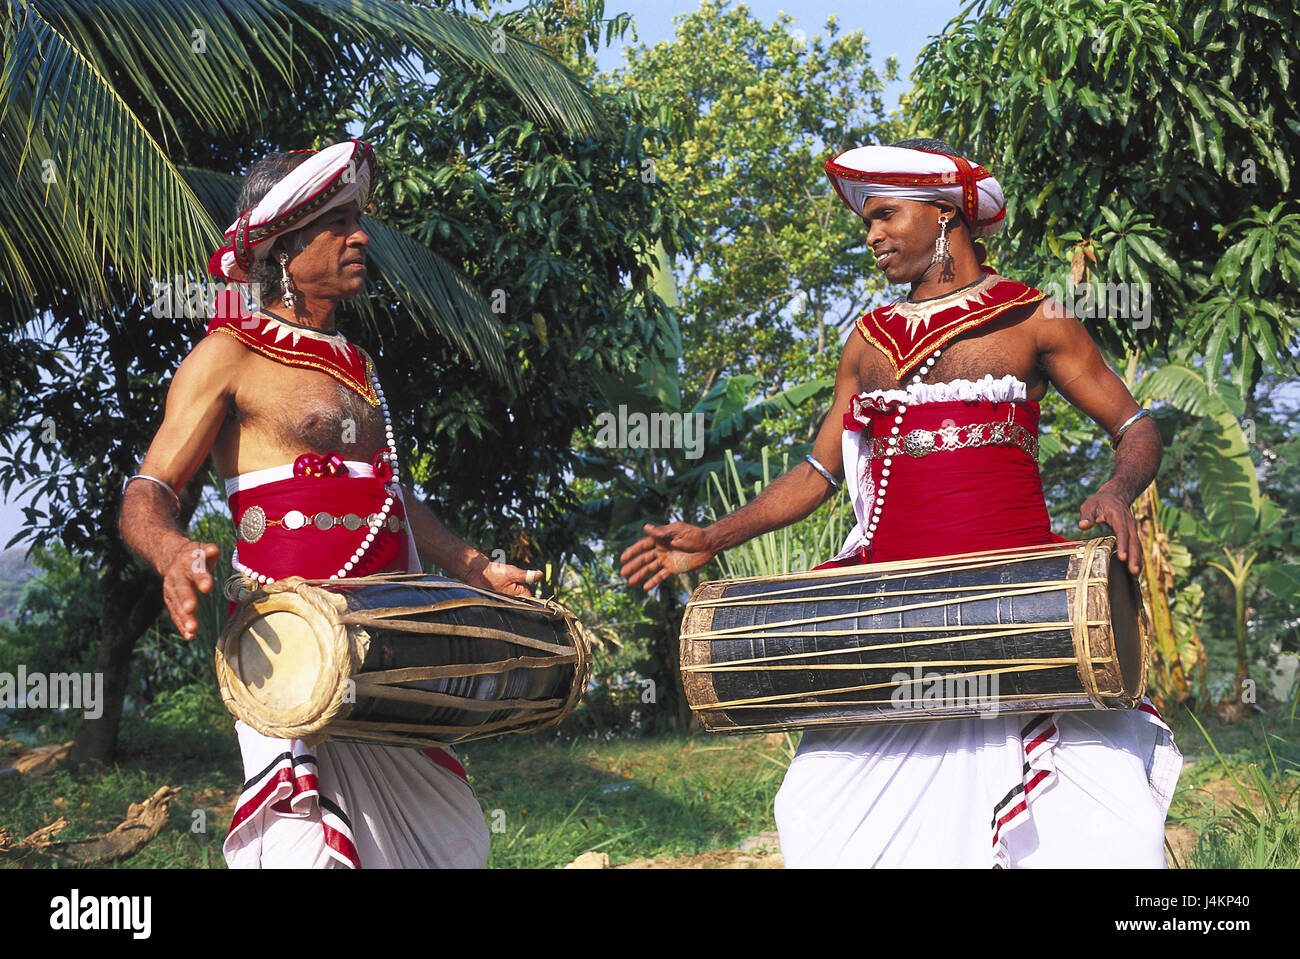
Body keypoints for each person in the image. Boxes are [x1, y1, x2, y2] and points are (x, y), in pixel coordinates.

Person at [620, 139, 1181, 868]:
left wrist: (1115, 488)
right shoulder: (868, 343)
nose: (873, 236)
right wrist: (712, 536)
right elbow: (819, 471)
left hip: (1013, 609)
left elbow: (1135, 427)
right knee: (818, 813)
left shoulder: (1035, 319)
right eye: (867, 223)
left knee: (1094, 832)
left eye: (885, 216)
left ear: (944, 213)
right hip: (892, 620)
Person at [120, 139, 539, 868]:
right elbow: (149, 488)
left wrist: (474, 565)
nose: (361, 237)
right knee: (307, 848)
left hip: (387, 637)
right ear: (284, 243)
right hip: (291, 643)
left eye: (358, 219)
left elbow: (390, 496)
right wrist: (172, 550)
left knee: (444, 842)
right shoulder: (229, 353)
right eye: (340, 221)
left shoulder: (359, 364)